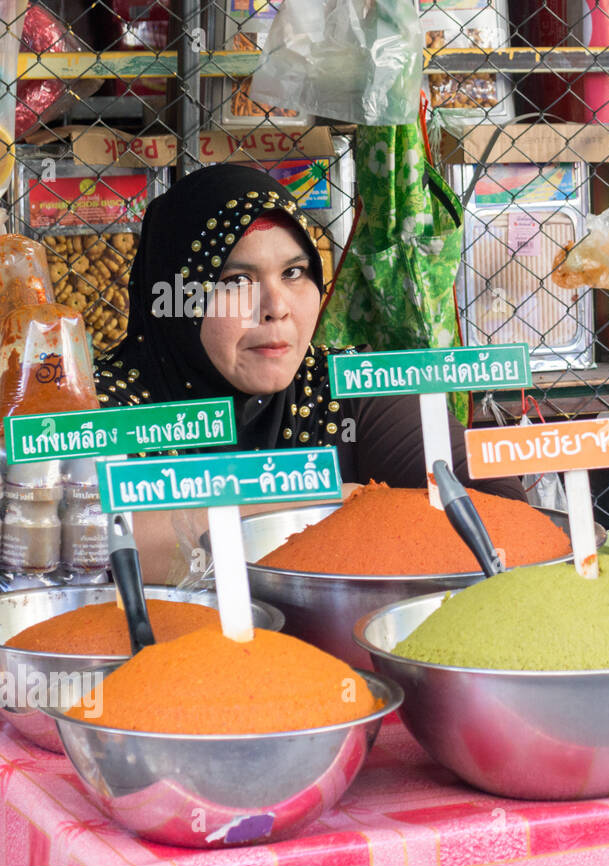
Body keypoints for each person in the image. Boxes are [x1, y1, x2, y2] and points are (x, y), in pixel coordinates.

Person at [96, 164, 523, 582]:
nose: (276, 306)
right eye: (236, 279)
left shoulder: (340, 387)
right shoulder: (101, 407)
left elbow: (504, 514)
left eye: (293, 273)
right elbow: (94, 539)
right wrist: (334, 503)